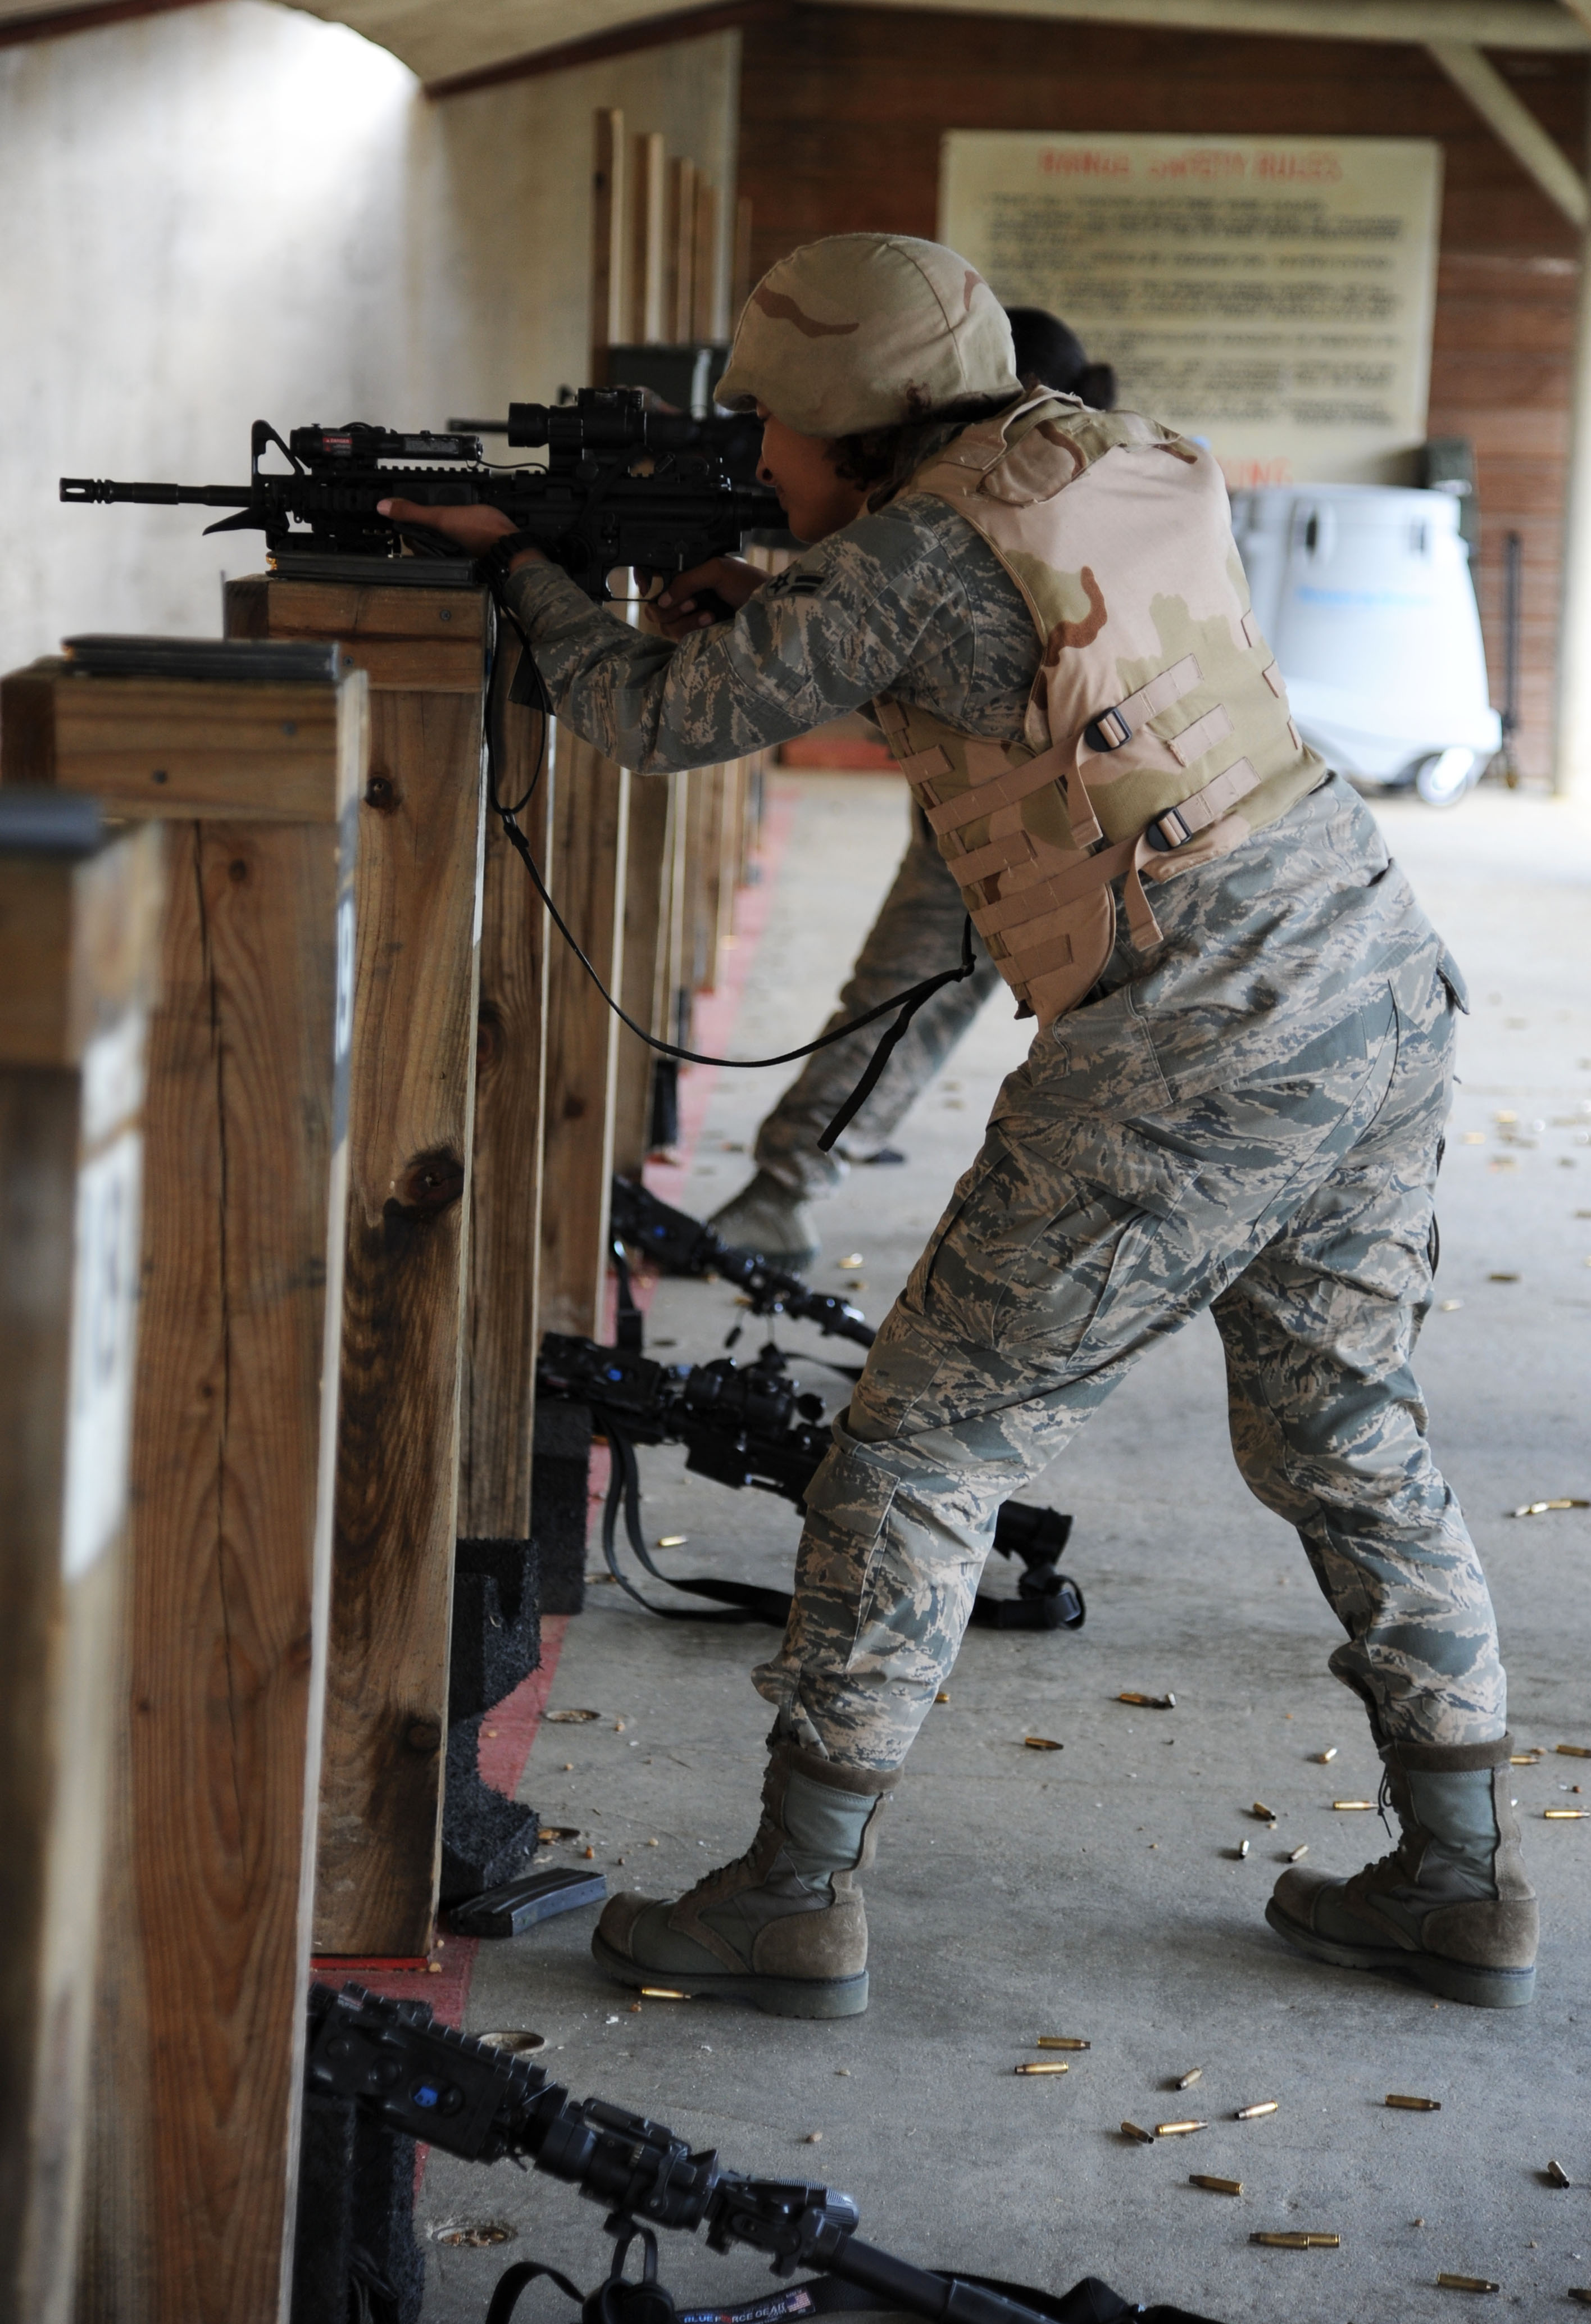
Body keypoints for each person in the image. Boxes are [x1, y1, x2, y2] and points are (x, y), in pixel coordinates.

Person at [381, 232, 1536, 2019]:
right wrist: (770, 587)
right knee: (1346, 1431)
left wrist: (521, 568)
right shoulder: (1083, 454)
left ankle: (795, 1887)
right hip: (1368, 983)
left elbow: (650, 717)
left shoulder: (909, 549)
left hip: (1195, 1043)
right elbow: (995, 628)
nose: (753, 450)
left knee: (920, 1453)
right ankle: (1460, 1879)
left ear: (855, 415)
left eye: (768, 420)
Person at [706, 307, 1119, 1272]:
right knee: (918, 991)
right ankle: (805, 1166)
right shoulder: (1086, 473)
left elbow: (882, 617)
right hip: (1062, 799)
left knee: (911, 987)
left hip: (1025, 811)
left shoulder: (979, 488)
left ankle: (789, 1184)